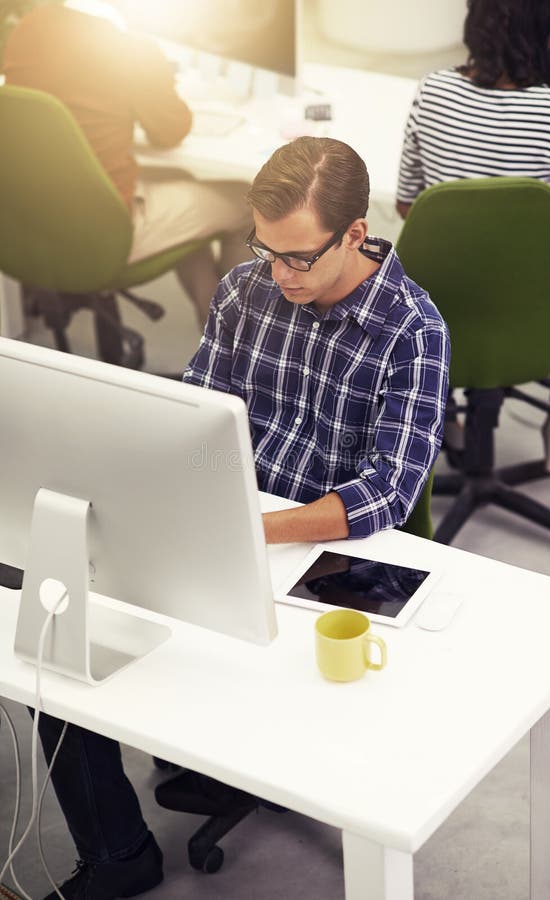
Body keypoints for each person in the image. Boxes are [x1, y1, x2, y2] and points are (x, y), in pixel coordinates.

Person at [33, 136, 449, 899]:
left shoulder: (411, 330)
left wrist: (251, 531)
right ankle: (118, 852)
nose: (279, 274)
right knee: (56, 626)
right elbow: (193, 410)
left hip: (327, 560)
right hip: (225, 524)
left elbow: (388, 491)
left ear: (355, 234)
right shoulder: (244, 288)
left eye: (299, 257)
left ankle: (214, 752)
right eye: (266, 249)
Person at [396, 0, 550, 475]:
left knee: (444, 253)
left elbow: (409, 206)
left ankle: (443, 411)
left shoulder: (432, 91)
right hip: (530, 320)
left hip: (440, 313)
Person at [1, 0, 252, 329]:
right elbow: (171, 131)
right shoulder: (130, 47)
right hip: (104, 234)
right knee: (250, 202)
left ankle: (213, 325)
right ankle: (232, 337)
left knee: (183, 190)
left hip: (34, 222)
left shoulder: (29, 27)